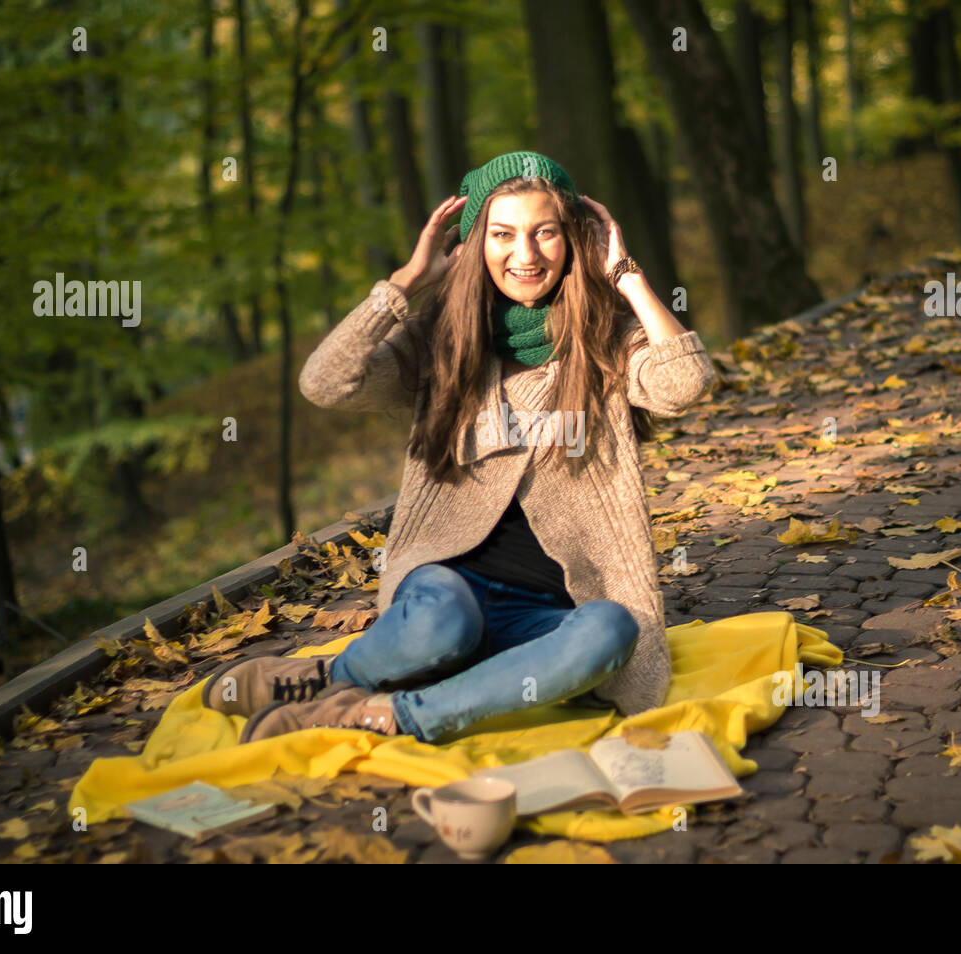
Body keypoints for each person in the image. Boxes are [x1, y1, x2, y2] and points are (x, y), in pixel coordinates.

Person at [202, 151, 715, 745]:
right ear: (475, 244)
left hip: (547, 617)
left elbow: (686, 383)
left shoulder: (604, 342)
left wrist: (624, 274)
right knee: (444, 622)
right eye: (503, 234)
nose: (526, 255)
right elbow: (324, 382)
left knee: (610, 632)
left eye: (545, 232)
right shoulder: (439, 342)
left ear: (574, 239)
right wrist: (405, 282)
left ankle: (390, 713)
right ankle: (329, 677)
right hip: (445, 595)